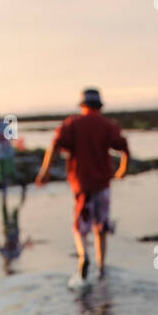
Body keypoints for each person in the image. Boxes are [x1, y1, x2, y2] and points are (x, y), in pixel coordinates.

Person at [35, 87, 129, 280]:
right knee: (101, 227)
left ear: (83, 106)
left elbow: (54, 146)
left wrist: (45, 172)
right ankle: (102, 267)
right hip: (103, 183)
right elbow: (124, 148)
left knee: (80, 226)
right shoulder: (107, 125)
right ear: (99, 106)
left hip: (82, 185)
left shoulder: (72, 124)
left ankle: (83, 256)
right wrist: (122, 170)